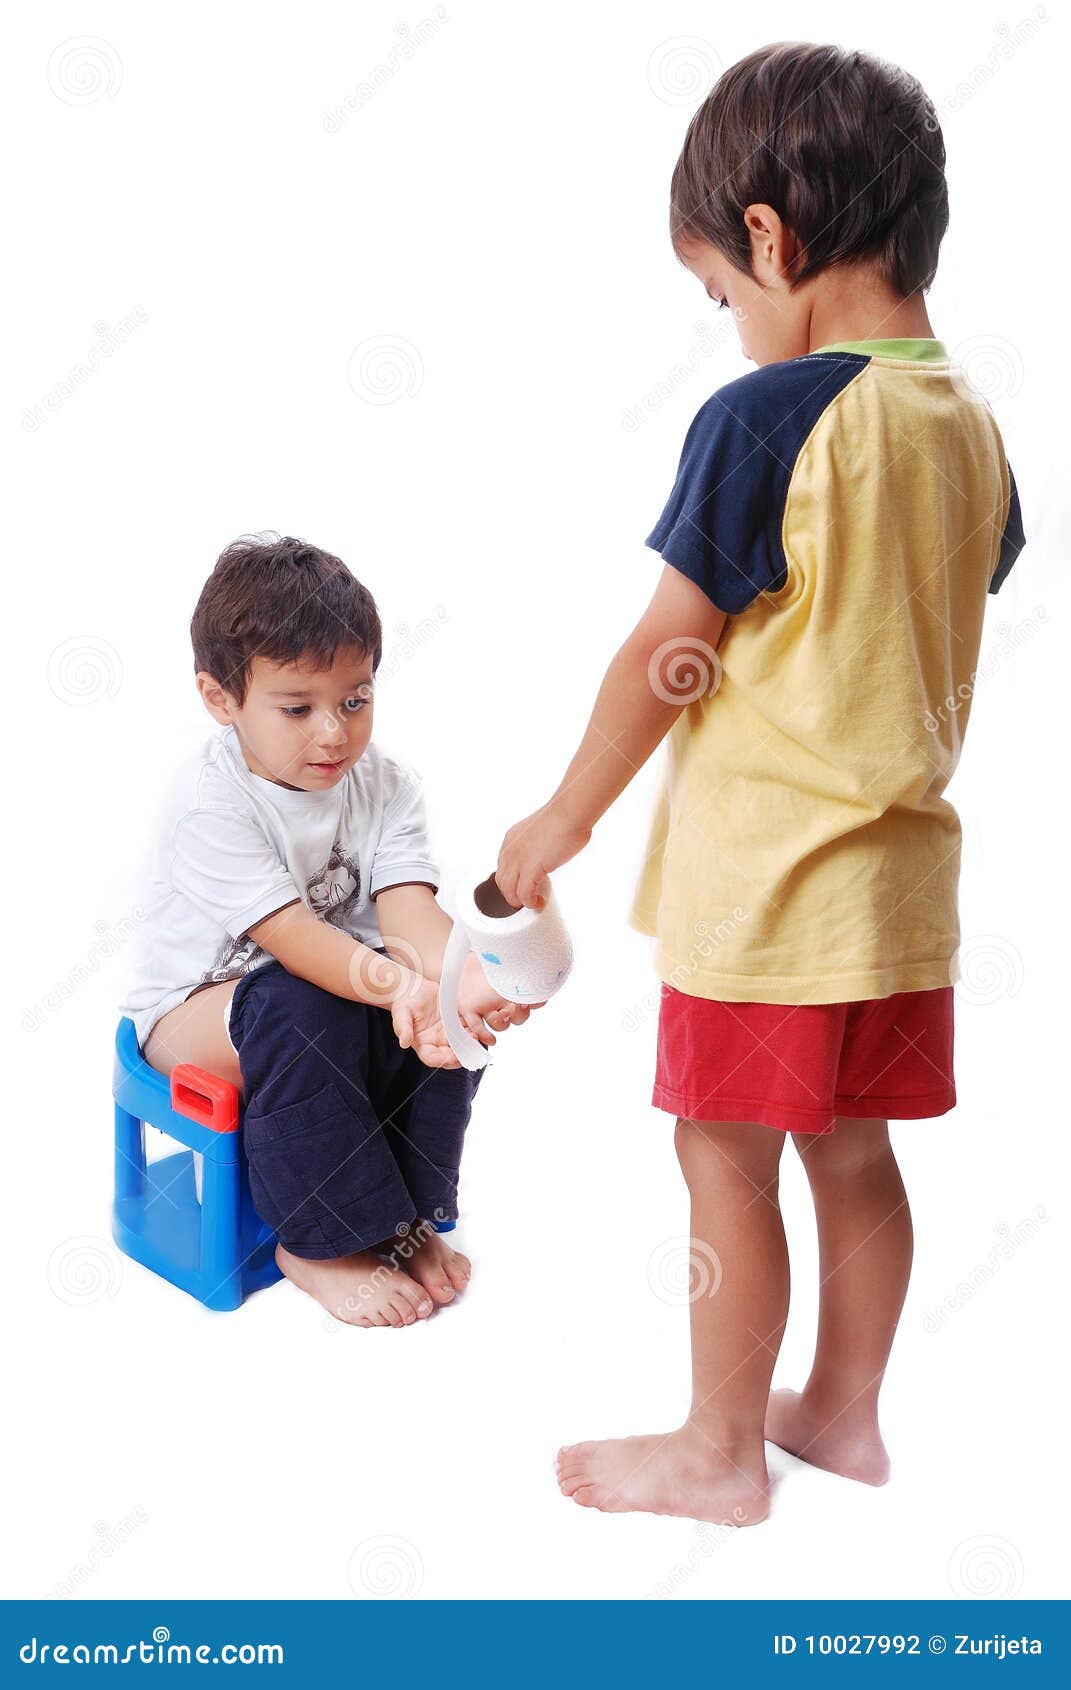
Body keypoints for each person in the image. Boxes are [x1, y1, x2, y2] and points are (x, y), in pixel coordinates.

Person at [495, 42, 1025, 1522]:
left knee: (719, 1152)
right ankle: (841, 1415)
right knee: (847, 1152)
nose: (728, 325)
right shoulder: (968, 428)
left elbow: (667, 651)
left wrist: (563, 815)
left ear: (770, 241)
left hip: (772, 893)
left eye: (720, 293)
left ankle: (718, 1449)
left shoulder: (765, 420)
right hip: (899, 884)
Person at [120, 533, 535, 1326]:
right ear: (220, 698)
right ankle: (315, 1243)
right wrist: (401, 987)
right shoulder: (210, 802)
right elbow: (294, 941)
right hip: (191, 1015)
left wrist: (466, 979)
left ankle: (400, 1218)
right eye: (297, 708)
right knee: (307, 1002)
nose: (333, 733)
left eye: (355, 699)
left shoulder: (383, 783)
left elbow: (407, 906)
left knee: (438, 1012)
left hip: (334, 989)